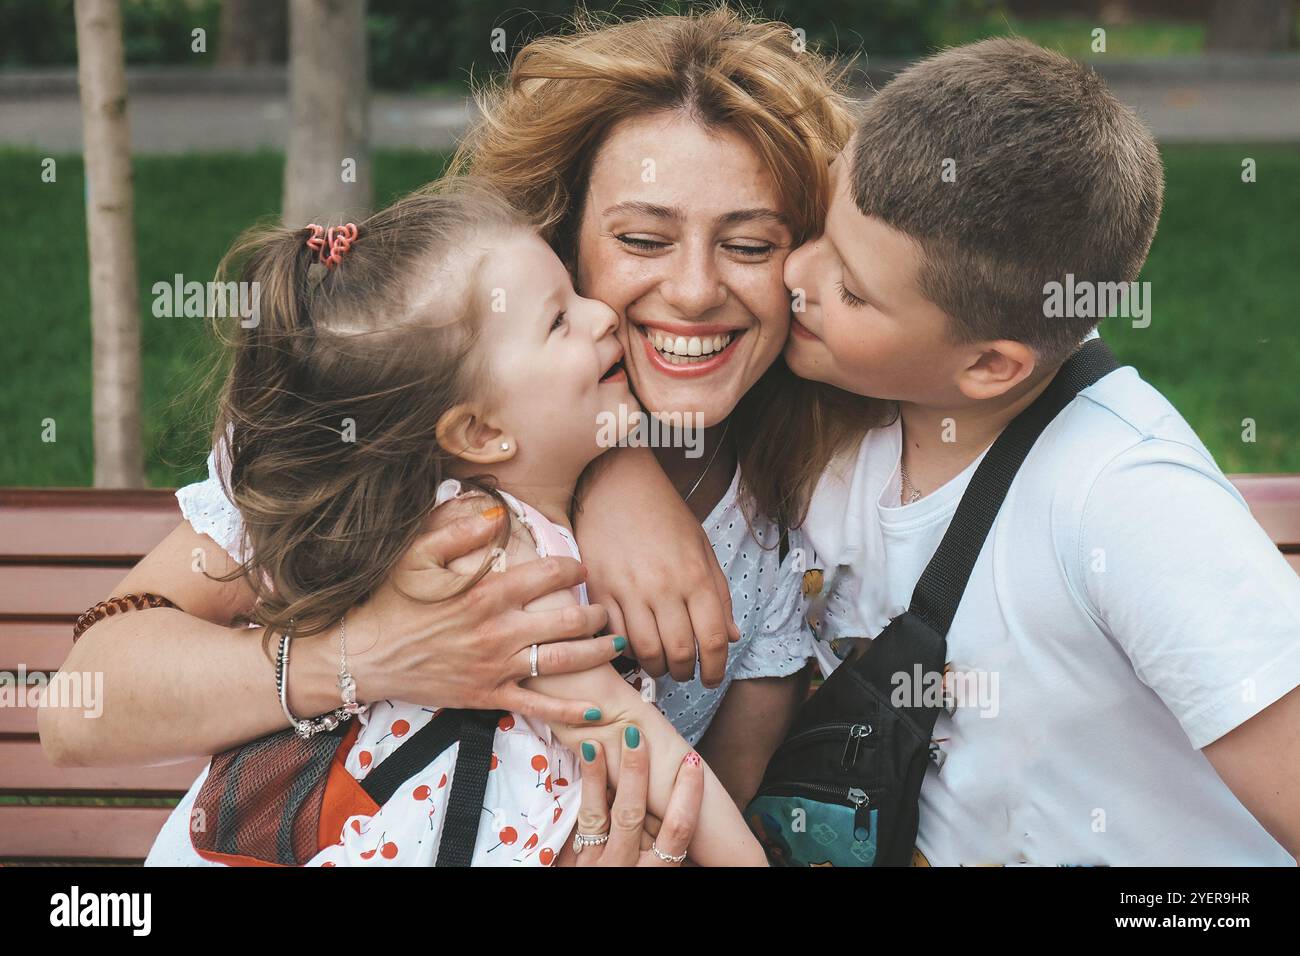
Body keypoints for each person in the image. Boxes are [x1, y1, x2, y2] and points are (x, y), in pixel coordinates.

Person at [41, 6, 880, 814]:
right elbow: (83, 708)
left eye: (748, 245)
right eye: (643, 240)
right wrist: (369, 655)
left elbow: (715, 808)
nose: (696, 291)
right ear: (560, 240)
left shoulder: (800, 506)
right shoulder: (407, 423)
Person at [630, 38, 1300, 864]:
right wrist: (617, 481)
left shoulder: (1127, 502)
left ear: (991, 365)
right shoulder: (847, 407)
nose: (796, 275)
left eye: (851, 289)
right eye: (821, 230)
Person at [142, 185, 765, 866]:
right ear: (481, 431)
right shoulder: (488, 548)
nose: (599, 316)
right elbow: (619, 725)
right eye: (558, 321)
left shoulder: (425, 517)